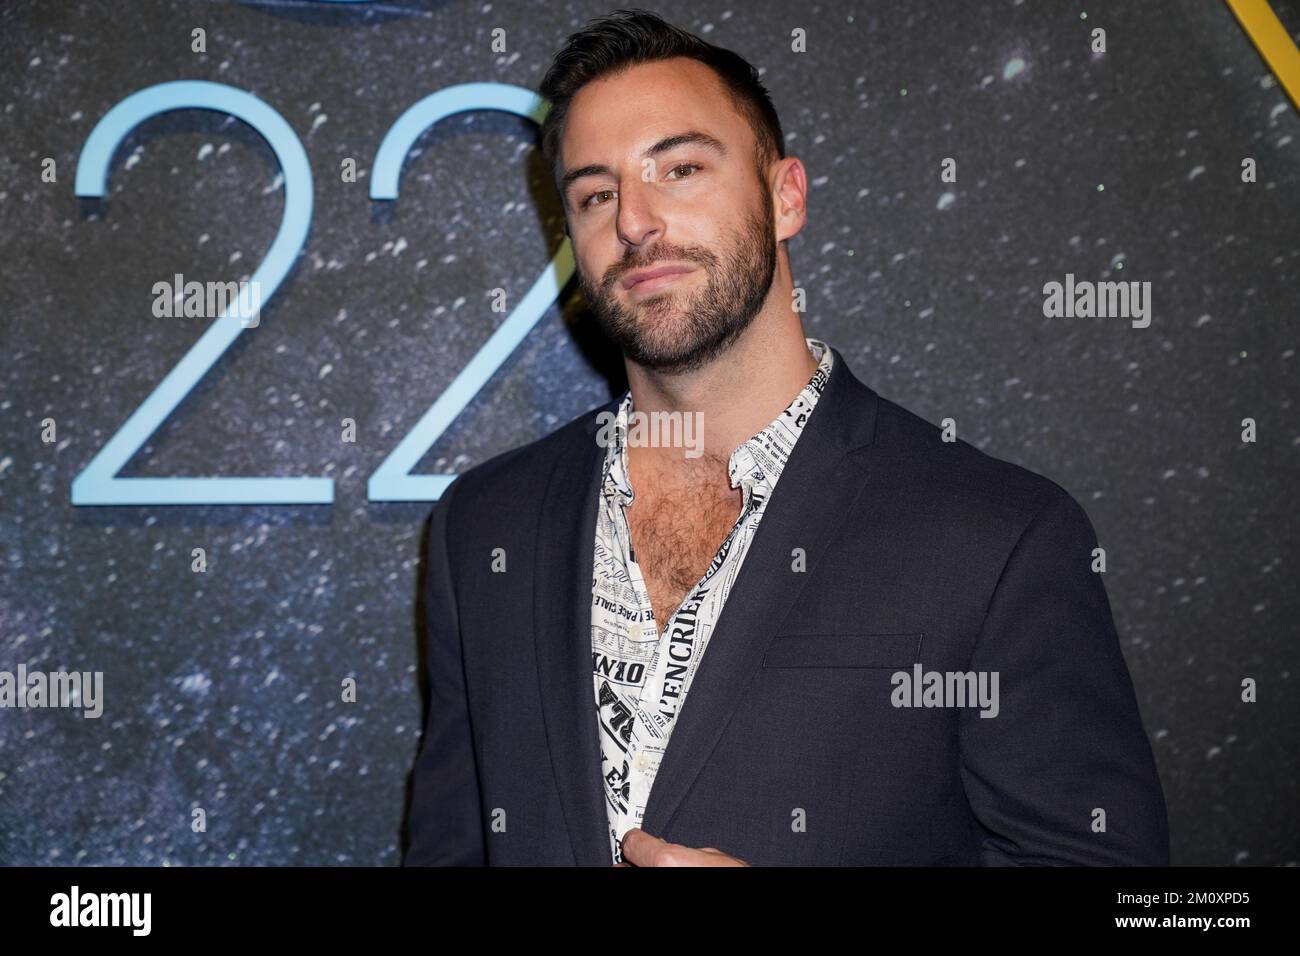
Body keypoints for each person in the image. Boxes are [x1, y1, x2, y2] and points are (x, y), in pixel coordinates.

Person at [403, 8, 1169, 867]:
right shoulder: (487, 525)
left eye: (681, 168)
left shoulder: (997, 538)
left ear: (785, 195)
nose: (635, 221)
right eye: (595, 192)